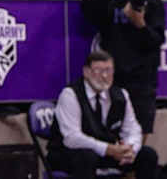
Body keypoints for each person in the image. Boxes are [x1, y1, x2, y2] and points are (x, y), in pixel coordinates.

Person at [81, 0, 166, 135]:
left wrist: (140, 24)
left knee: (140, 133)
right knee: (110, 130)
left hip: (142, 78)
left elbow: (157, 41)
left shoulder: (152, 3)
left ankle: (134, 162)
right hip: (113, 76)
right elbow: (86, 6)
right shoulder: (109, 1)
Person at [48, 51, 160, 179]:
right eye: (98, 70)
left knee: (147, 155)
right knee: (86, 157)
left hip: (107, 153)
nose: (104, 75)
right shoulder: (70, 94)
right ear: (86, 72)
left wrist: (130, 149)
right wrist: (108, 149)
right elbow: (72, 138)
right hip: (69, 153)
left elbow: (133, 129)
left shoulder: (121, 95)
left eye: (109, 70)